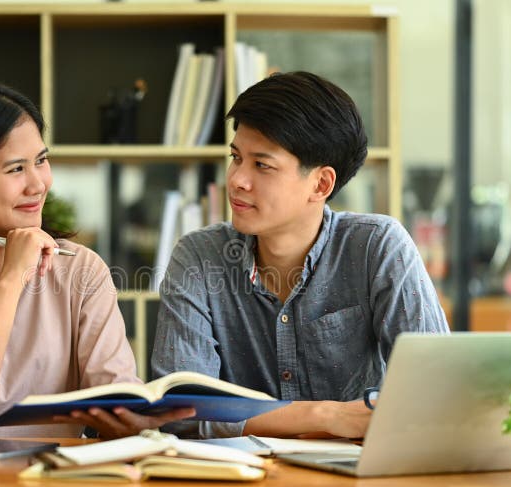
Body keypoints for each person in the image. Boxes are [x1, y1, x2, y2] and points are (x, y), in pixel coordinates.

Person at [0, 81, 193, 440]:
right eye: (15, 169)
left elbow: (118, 398)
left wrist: (139, 418)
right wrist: (11, 279)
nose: (38, 184)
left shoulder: (81, 270)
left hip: (56, 473)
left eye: (41, 161)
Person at [151, 71, 449, 440]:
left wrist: (245, 417)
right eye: (236, 157)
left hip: (356, 471)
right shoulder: (198, 257)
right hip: (241, 475)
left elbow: (437, 391)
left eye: (262, 165)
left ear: (321, 184)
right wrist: (327, 415)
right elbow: (179, 412)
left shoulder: (377, 247)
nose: (237, 179)